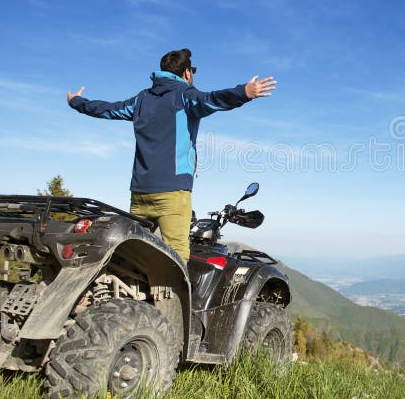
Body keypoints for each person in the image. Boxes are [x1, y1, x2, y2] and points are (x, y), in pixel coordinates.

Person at [66, 48, 275, 263]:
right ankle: (171, 297)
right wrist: (244, 92)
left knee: (132, 256)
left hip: (139, 193)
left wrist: (77, 102)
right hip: (172, 194)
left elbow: (108, 109)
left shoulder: (141, 99)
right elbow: (213, 99)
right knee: (176, 259)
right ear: (186, 73)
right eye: (192, 70)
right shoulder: (185, 96)